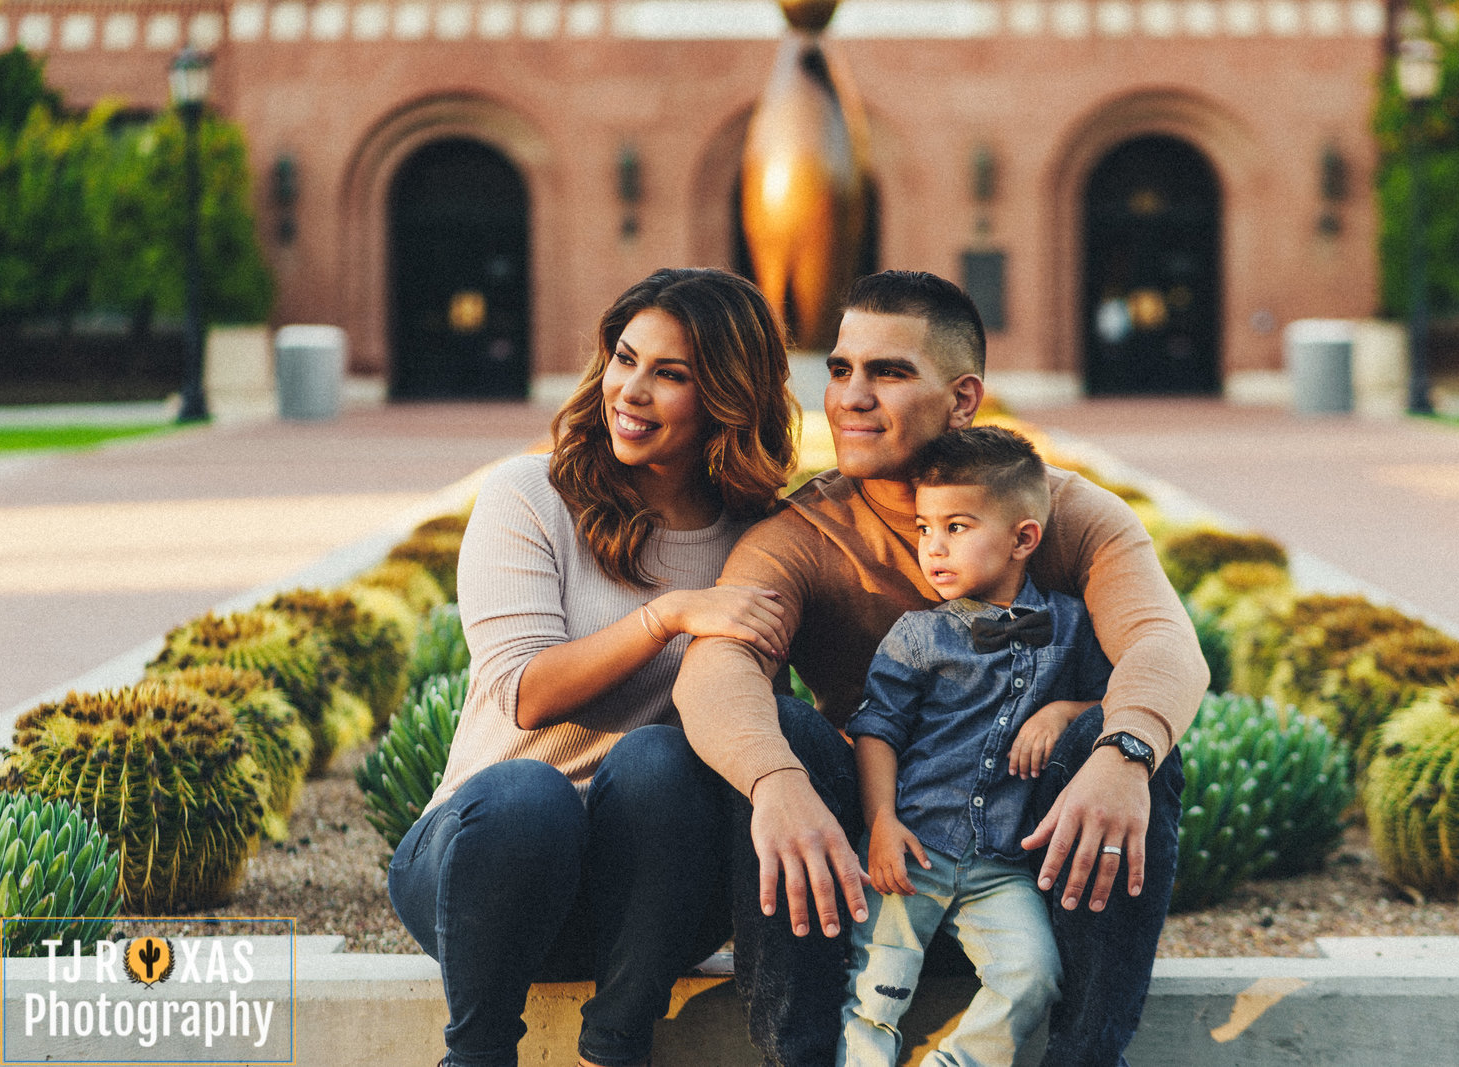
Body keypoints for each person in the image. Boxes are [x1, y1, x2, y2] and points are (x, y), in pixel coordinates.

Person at [673, 269, 1209, 1066]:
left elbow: (1164, 645)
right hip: (871, 868)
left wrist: (1123, 750)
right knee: (778, 732)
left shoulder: (1059, 515)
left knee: (1126, 746)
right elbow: (713, 669)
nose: (851, 396)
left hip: (1031, 870)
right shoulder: (804, 534)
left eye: (888, 372)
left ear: (963, 399)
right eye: (841, 369)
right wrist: (773, 780)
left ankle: (1087, 1056)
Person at [387, 267, 797, 1067]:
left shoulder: (758, 537)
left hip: (646, 897)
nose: (631, 390)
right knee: (525, 792)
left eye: (670, 374)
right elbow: (527, 693)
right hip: (489, 870)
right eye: (624, 357)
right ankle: (476, 1056)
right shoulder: (528, 495)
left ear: (728, 396)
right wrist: (667, 614)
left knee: (664, 757)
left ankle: (618, 1045)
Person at [840, 426, 1115, 1066]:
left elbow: (1117, 698)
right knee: (877, 989)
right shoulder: (918, 636)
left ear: (1023, 539)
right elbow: (876, 729)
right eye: (923, 529)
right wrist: (881, 823)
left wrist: (1065, 712)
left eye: (956, 528)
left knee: (1034, 974)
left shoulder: (1071, 624)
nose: (933, 548)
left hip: (1003, 863)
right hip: (915, 848)